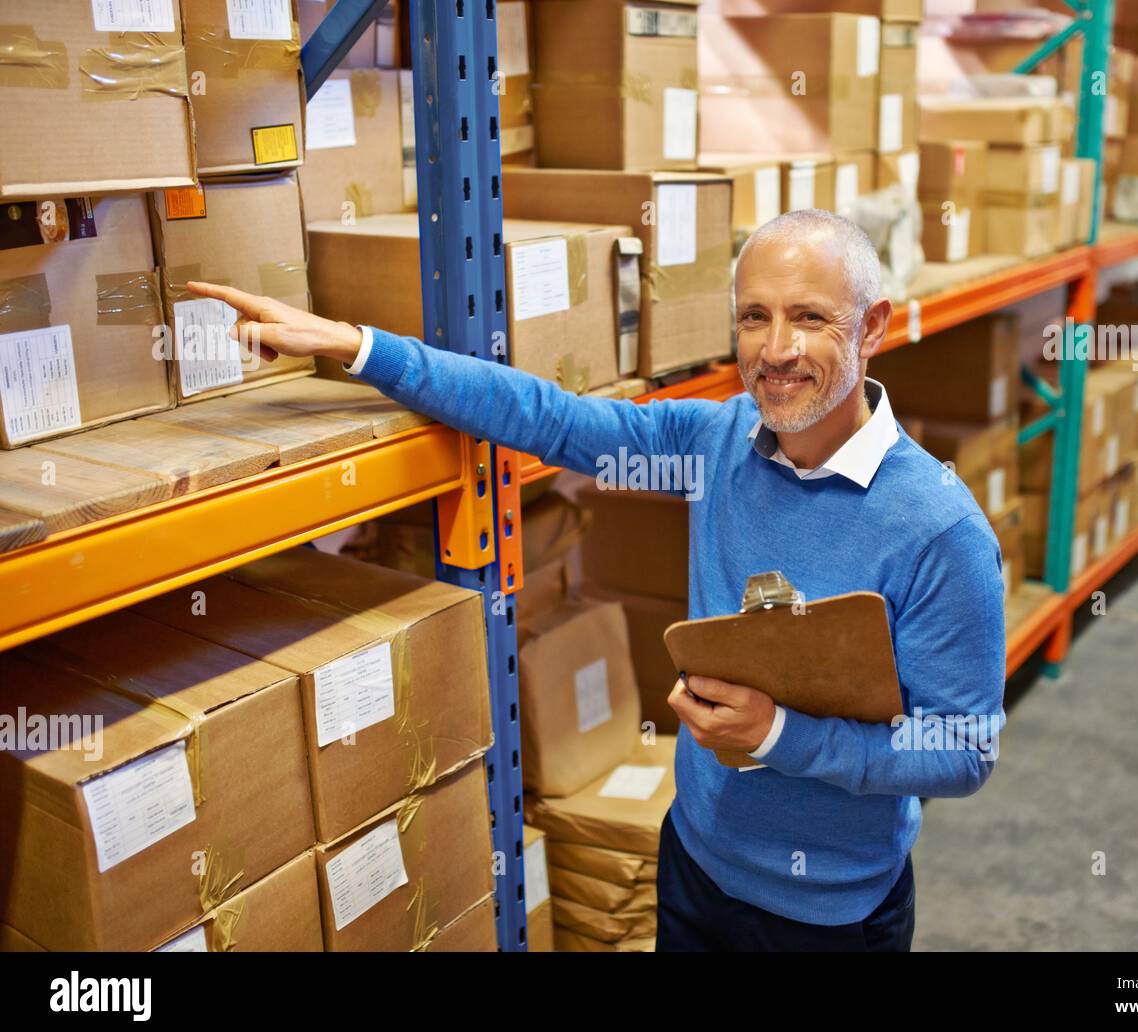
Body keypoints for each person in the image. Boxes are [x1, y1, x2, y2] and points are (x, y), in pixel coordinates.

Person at [186, 208, 1006, 952]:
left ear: (873, 327)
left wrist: (778, 737)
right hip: (694, 860)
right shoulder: (719, 443)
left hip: (830, 914)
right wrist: (357, 346)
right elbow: (555, 418)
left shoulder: (939, 529)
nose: (778, 349)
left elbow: (965, 749)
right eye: (756, 316)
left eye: (810, 319)